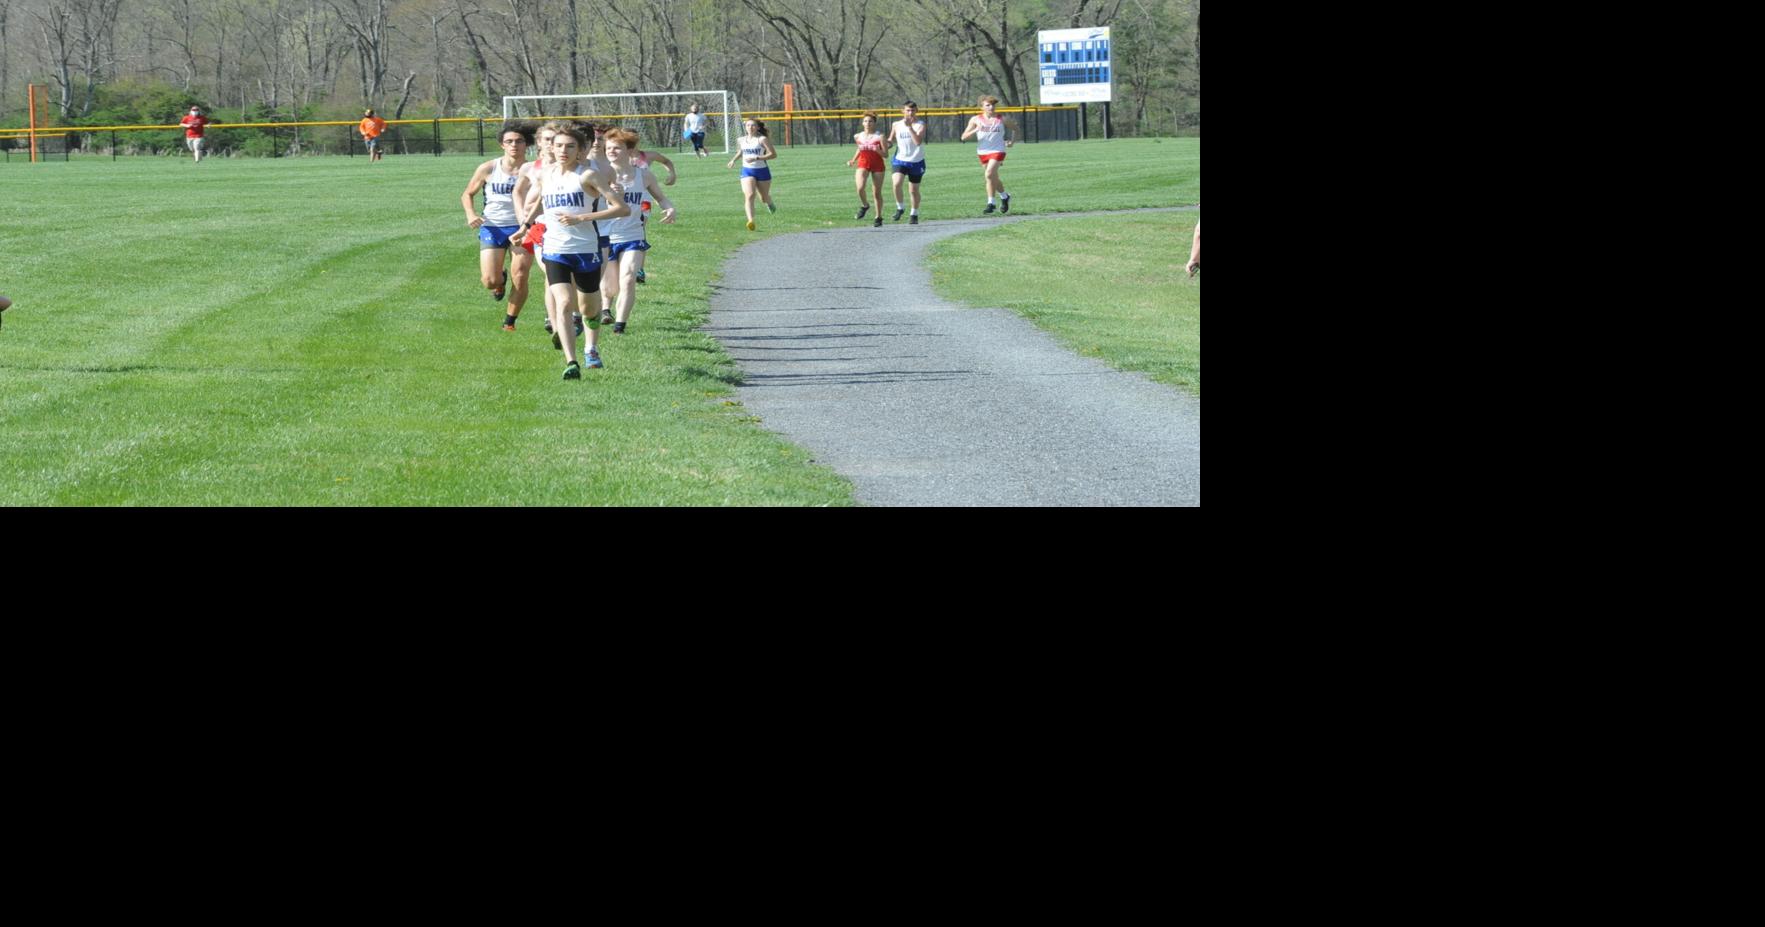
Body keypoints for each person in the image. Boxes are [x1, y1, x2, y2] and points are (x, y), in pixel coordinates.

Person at [515, 125, 628, 380]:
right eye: (558, 146)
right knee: (564, 302)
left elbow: (621, 209)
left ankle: (591, 347)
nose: (563, 151)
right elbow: (543, 201)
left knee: (589, 309)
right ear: (550, 148)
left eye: (570, 146)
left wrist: (582, 217)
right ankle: (571, 361)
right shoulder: (544, 175)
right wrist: (525, 226)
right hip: (555, 249)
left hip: (586, 250)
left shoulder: (588, 175)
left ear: (580, 151)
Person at [599, 129, 677, 335]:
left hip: (632, 235)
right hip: (605, 237)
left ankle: (620, 327)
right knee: (609, 288)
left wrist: (669, 208)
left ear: (630, 150)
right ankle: (605, 308)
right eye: (608, 148)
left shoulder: (643, 174)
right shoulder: (598, 175)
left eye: (617, 147)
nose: (611, 151)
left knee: (628, 278)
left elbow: (661, 198)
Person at [462, 122, 536, 331]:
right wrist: (471, 214)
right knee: (489, 281)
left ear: (526, 144)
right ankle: (500, 280)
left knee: (520, 276)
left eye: (519, 141)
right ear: (502, 145)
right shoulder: (489, 168)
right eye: (509, 141)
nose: (514, 145)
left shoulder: (533, 170)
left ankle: (509, 322)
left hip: (522, 228)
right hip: (493, 226)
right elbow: (467, 194)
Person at [960, 96, 1014, 214]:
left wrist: (1011, 142)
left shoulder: (1002, 119)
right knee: (993, 177)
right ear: (982, 107)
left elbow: (1016, 129)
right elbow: (963, 137)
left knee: (989, 174)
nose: (991, 107)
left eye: (993, 105)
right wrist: (975, 130)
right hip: (983, 151)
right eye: (988, 105)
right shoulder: (975, 119)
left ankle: (991, 203)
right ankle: (1005, 197)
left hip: (998, 150)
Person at [726, 119, 777, 231]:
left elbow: (773, 155)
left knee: (763, 198)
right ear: (745, 127)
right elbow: (741, 151)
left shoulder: (762, 139)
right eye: (748, 125)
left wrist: (757, 157)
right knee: (749, 195)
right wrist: (733, 160)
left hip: (762, 171)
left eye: (753, 125)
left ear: (758, 127)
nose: (750, 127)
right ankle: (751, 221)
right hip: (747, 171)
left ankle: (769, 202)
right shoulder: (741, 140)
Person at [887, 101, 928, 224]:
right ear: (903, 111)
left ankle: (914, 213)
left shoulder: (920, 125)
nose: (910, 113)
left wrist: (910, 127)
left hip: (916, 161)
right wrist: (885, 144)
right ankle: (900, 207)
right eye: (908, 110)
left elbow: (917, 142)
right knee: (896, 183)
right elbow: (891, 140)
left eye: (913, 110)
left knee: (913, 190)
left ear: (916, 111)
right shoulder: (896, 124)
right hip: (900, 159)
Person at [848, 111, 887, 228]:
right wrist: (853, 160)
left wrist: (877, 150)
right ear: (862, 123)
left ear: (874, 123)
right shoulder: (858, 136)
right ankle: (865, 205)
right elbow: (859, 149)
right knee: (860, 188)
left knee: (876, 192)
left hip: (877, 165)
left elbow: (885, 155)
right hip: (863, 163)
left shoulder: (880, 137)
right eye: (865, 121)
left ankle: (878, 217)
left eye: (870, 121)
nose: (867, 123)